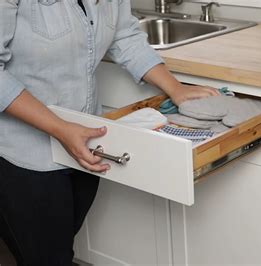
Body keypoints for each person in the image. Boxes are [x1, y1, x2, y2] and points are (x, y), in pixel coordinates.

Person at [0, 0, 218, 265]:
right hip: (22, 154)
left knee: (58, 248)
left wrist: (175, 88)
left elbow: (124, 36)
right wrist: (60, 129)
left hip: (84, 145)